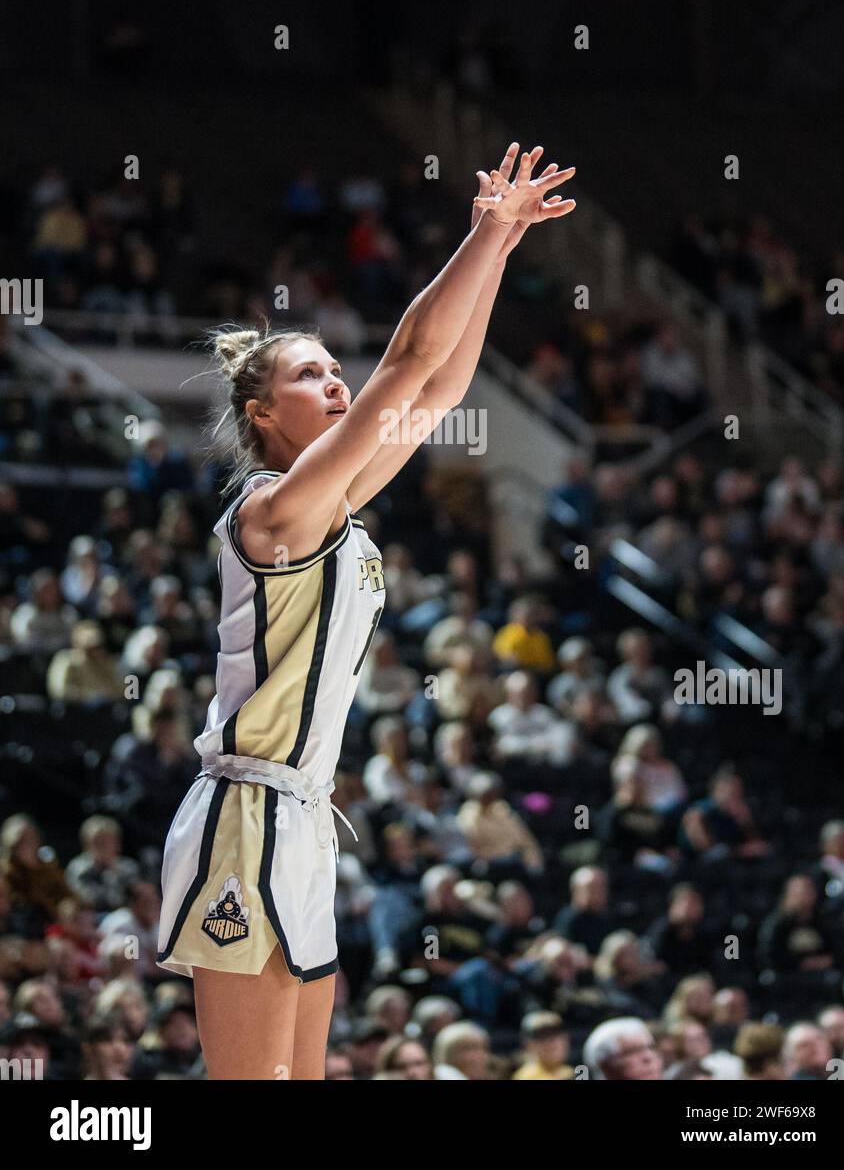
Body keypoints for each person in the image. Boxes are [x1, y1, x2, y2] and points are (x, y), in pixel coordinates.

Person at [156, 142, 576, 1079]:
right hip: (246, 809)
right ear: (261, 414)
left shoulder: (334, 508)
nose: (338, 381)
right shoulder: (274, 511)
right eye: (310, 376)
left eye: (335, 367)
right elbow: (409, 358)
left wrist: (500, 254)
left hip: (304, 818)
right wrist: (484, 231)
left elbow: (440, 387)